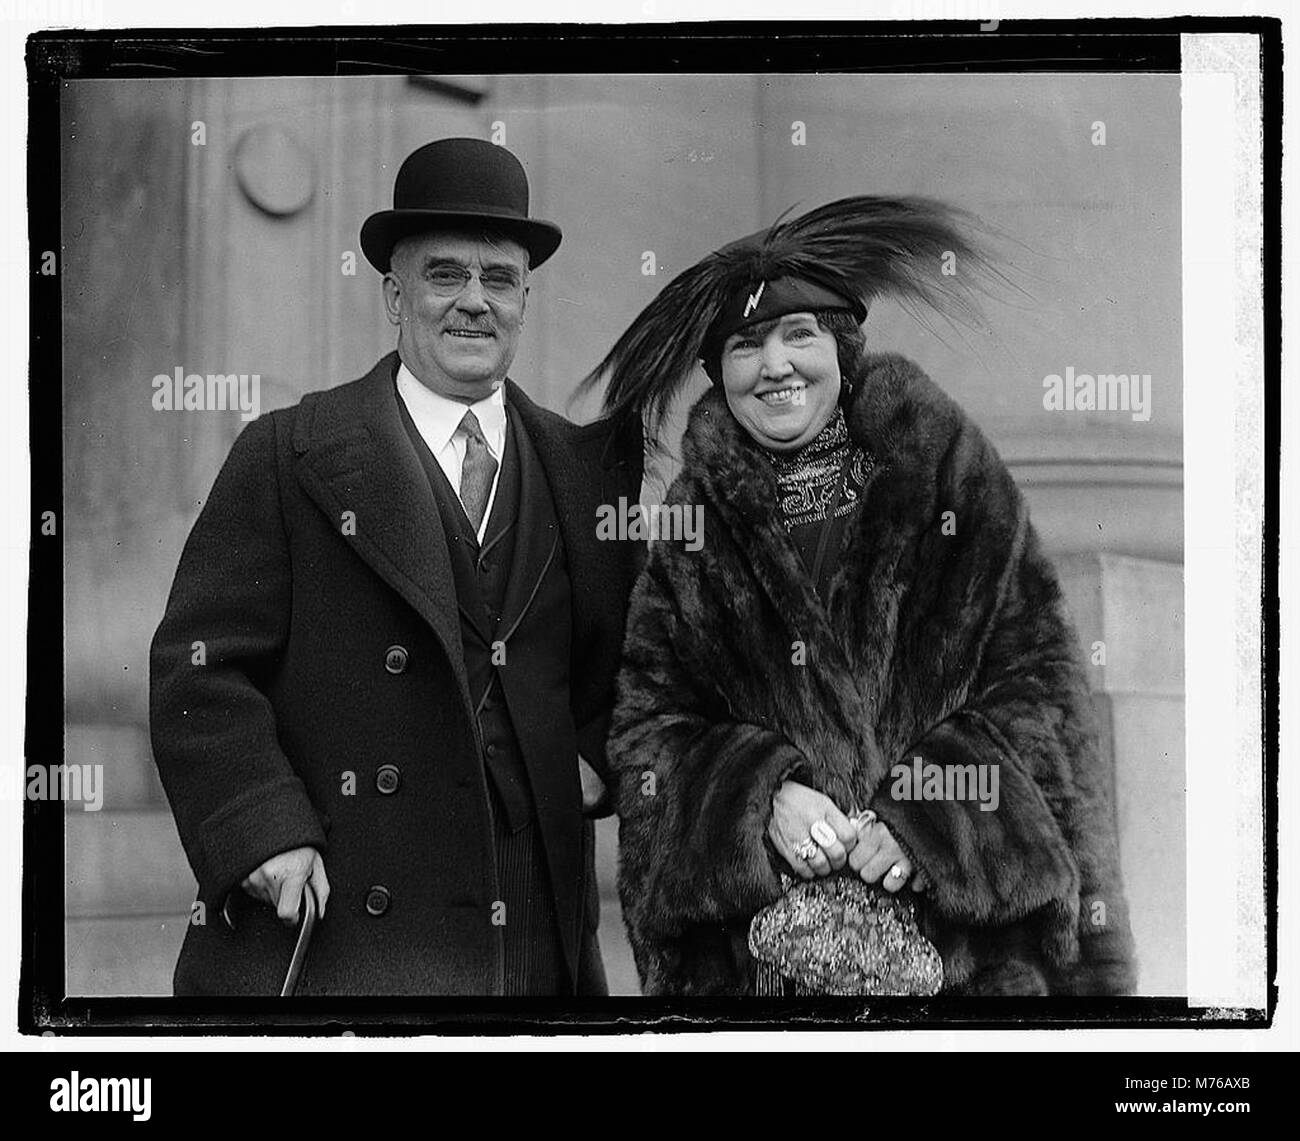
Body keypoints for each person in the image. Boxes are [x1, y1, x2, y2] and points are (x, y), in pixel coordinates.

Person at [590, 197, 1137, 996]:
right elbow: (649, 734)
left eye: (797, 335)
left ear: (842, 349)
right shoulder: (692, 529)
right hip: (767, 975)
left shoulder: (949, 479)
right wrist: (758, 796)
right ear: (721, 373)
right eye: (745, 345)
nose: (773, 365)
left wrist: (927, 820)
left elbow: (1042, 700)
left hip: (968, 973)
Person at [150, 138, 642, 996]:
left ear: (526, 297)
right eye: (445, 275)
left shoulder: (586, 471)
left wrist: (593, 761)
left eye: (499, 278)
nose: (474, 303)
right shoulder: (287, 454)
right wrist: (262, 827)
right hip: (354, 928)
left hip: (530, 932)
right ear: (394, 293)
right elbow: (200, 666)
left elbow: (637, 667)